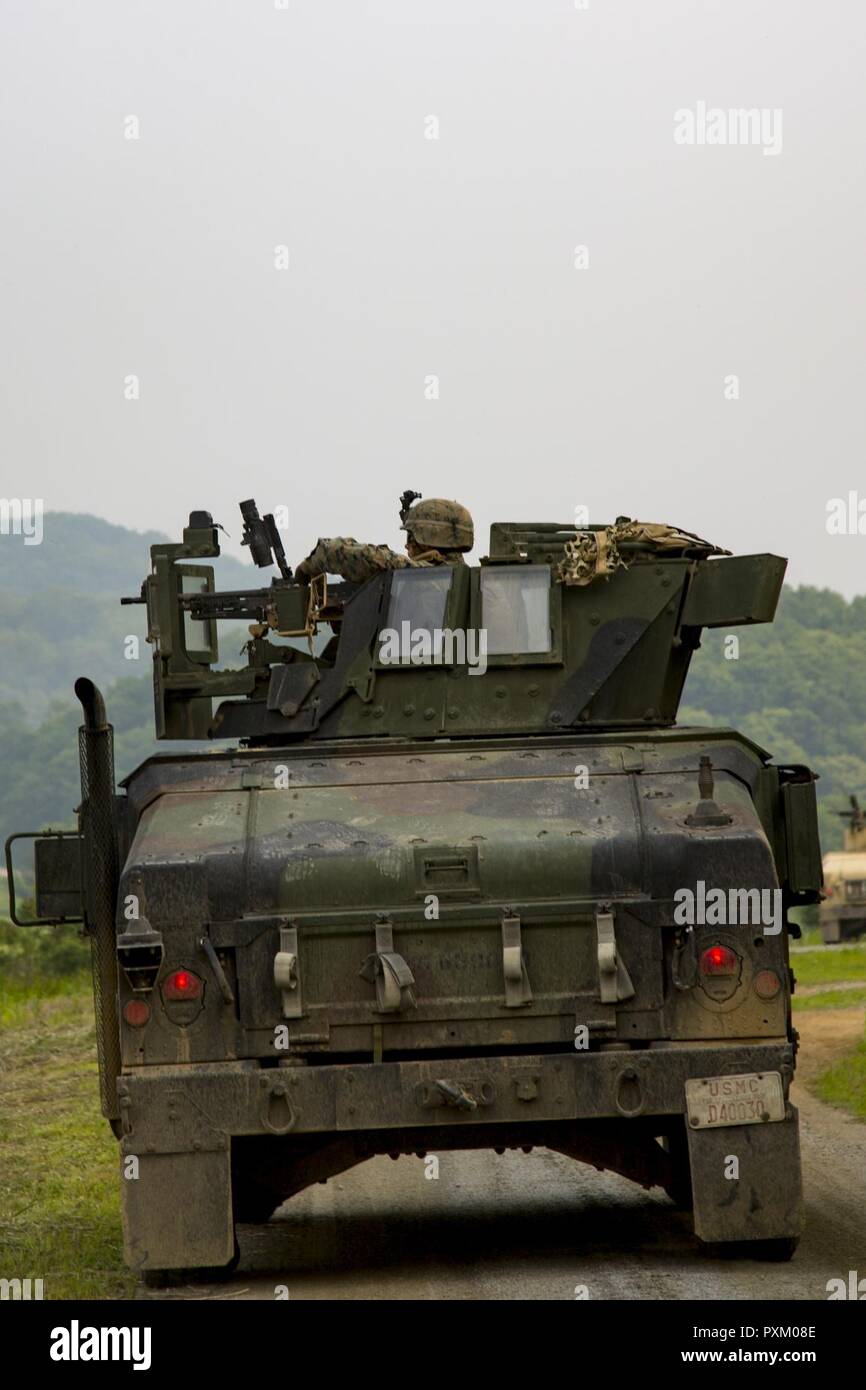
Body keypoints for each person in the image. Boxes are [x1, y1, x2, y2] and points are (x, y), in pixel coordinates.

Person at [294, 498, 473, 584]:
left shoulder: (421, 575)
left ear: (427, 538)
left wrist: (306, 569)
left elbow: (338, 553)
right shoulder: (468, 581)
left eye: (411, 536)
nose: (406, 545)